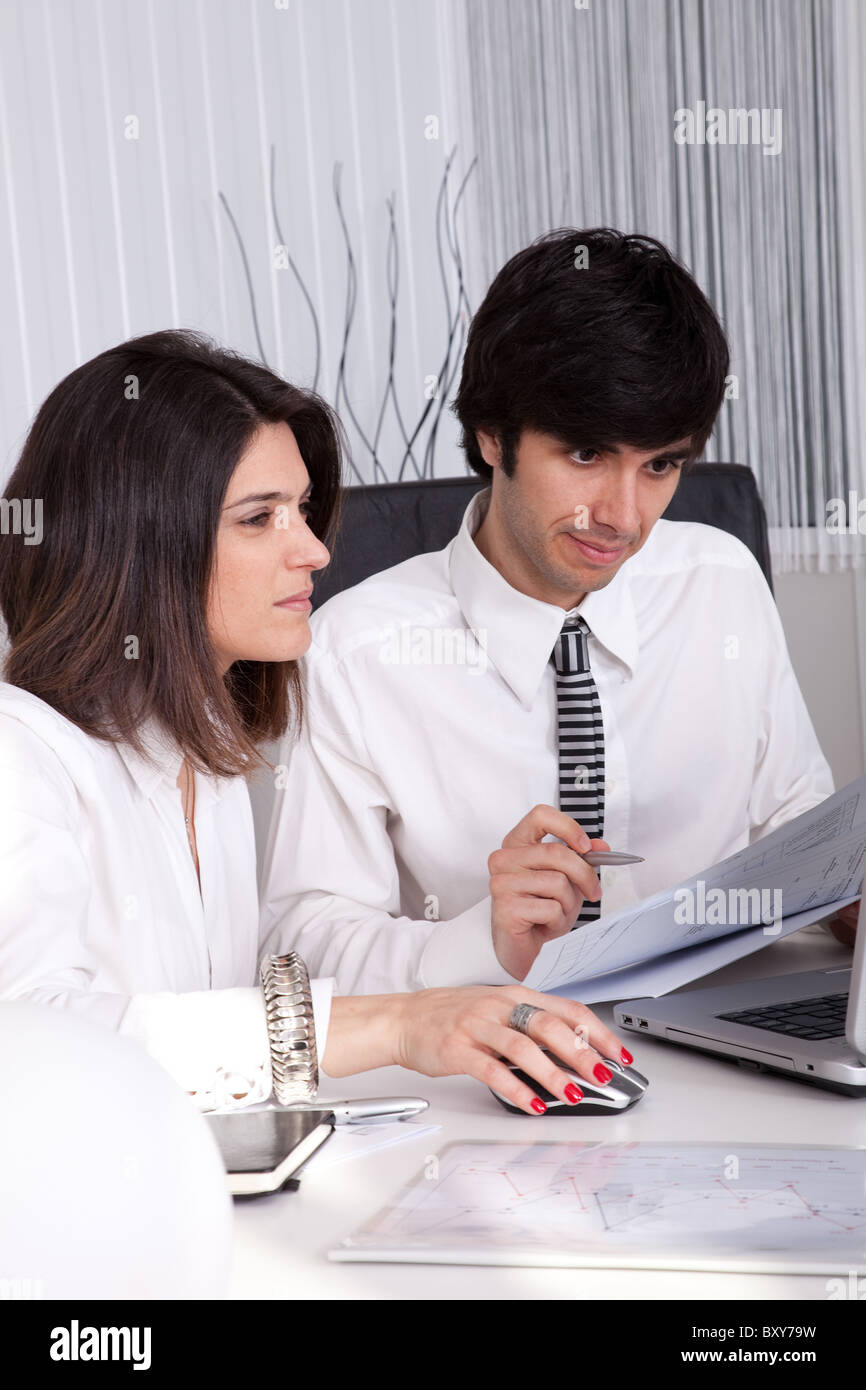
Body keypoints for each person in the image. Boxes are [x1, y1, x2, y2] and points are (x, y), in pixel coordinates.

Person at [0, 329, 633, 1118]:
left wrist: (488, 949)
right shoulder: (20, 752)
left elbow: (231, 1018)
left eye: (300, 510)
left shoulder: (207, 751)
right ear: (137, 543)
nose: (314, 552)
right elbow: (32, 1039)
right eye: (259, 518)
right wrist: (401, 1027)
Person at [260, 227, 858, 996]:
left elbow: (794, 827)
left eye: (661, 465)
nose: (623, 515)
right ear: (491, 434)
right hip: (493, 1065)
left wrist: (843, 898)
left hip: (720, 1036)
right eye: (585, 456)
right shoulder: (357, 650)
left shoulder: (720, 581)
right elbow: (302, 944)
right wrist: (481, 937)